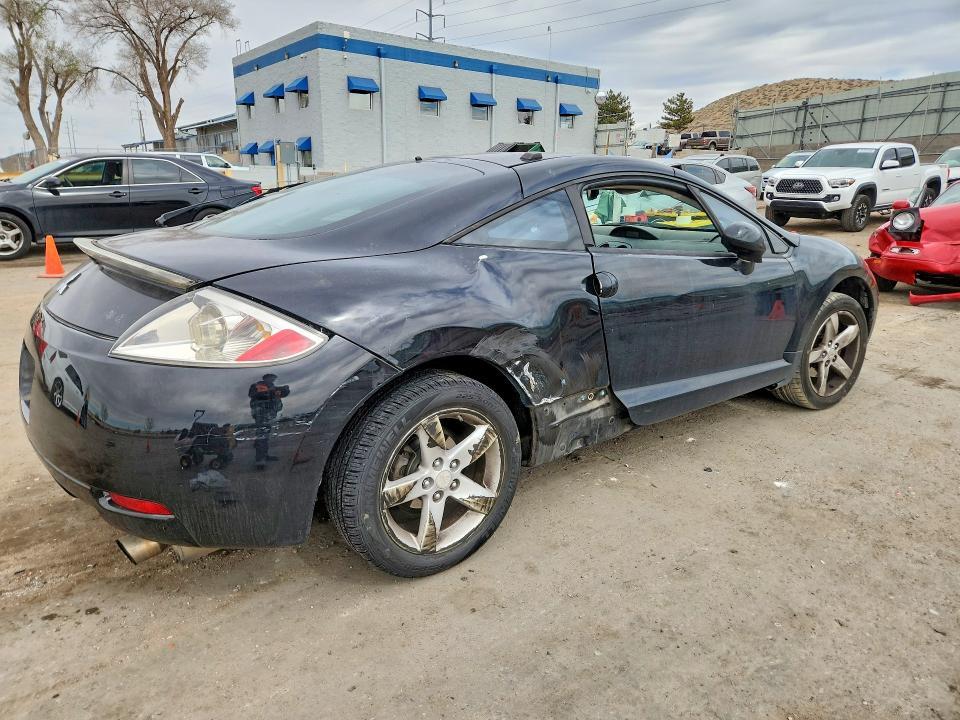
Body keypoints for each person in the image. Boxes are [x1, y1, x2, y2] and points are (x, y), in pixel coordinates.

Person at [248, 374, 290, 469]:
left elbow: (278, 407)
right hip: (261, 415)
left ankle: (264, 456)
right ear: (265, 378)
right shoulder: (258, 386)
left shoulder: (273, 389)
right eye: (271, 378)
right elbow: (254, 397)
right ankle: (260, 460)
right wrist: (270, 392)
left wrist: (277, 395)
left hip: (269, 416)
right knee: (262, 436)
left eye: (273, 378)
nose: (272, 379)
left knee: (265, 437)